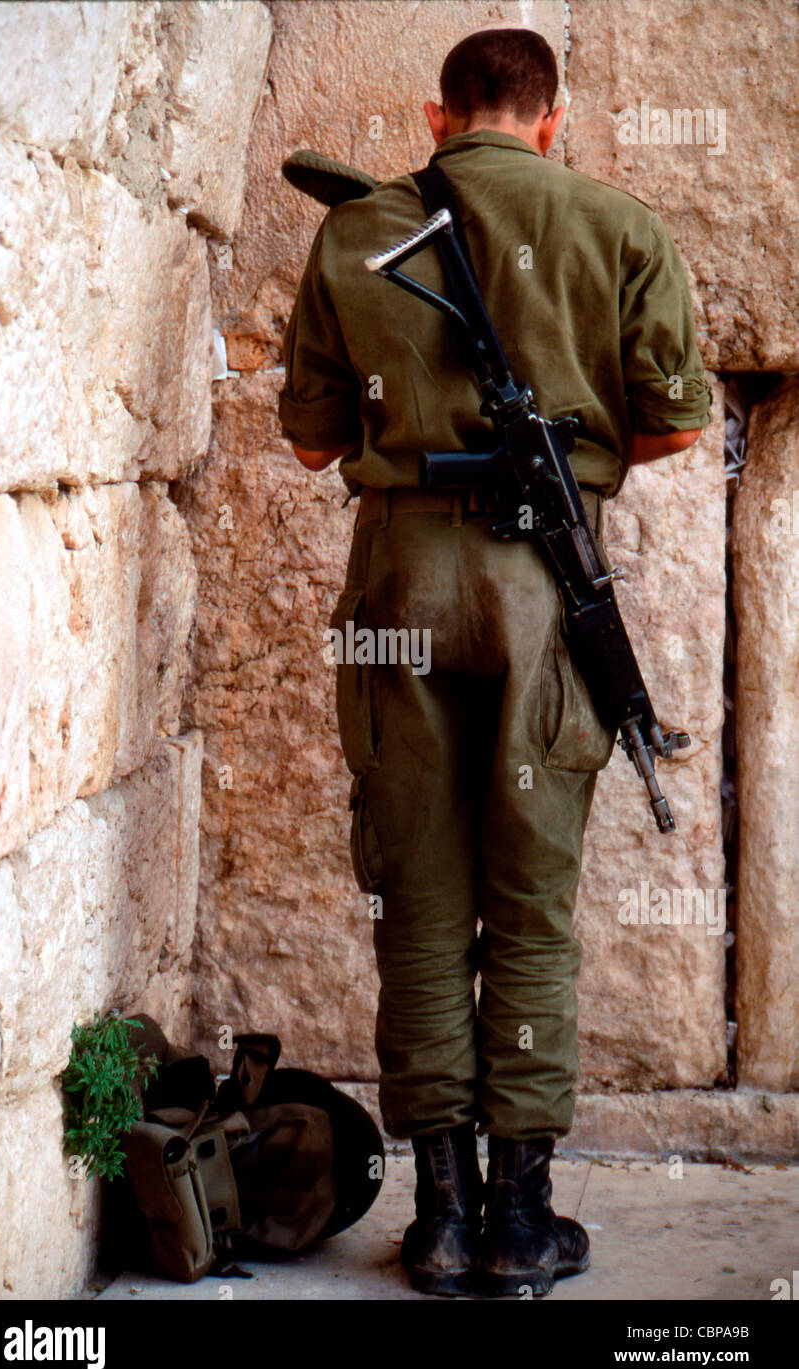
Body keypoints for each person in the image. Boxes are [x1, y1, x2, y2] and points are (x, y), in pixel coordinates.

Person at [277, 27, 711, 1297]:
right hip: (543, 595)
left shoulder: (356, 233)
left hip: (402, 586)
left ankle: (439, 1219)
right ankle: (522, 1222)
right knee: (528, 903)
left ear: (435, 115)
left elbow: (309, 449)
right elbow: (677, 422)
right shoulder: (616, 224)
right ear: (550, 119)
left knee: (413, 898)